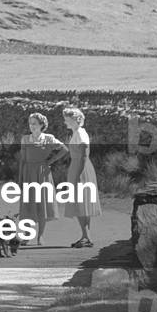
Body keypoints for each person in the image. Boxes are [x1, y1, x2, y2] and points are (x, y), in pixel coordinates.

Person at [17, 112, 67, 246]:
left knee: (42, 204)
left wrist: (51, 160)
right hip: (28, 173)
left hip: (43, 174)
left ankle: (40, 236)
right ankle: (27, 235)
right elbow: (22, 159)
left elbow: (64, 149)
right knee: (28, 205)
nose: (31, 126)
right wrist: (20, 178)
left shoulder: (49, 138)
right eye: (30, 123)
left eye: (34, 123)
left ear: (41, 125)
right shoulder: (25, 139)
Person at [61, 106, 101, 248]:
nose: (65, 122)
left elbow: (84, 156)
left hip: (81, 170)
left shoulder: (80, 133)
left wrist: (78, 174)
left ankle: (86, 236)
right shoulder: (77, 133)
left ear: (76, 120)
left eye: (68, 119)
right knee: (81, 204)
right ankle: (86, 236)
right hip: (77, 168)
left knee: (80, 204)